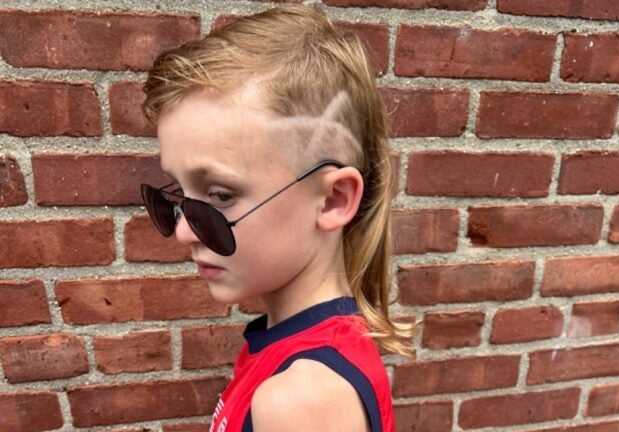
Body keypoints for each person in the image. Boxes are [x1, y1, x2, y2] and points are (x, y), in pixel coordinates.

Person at [138, 5, 413, 432]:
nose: (182, 230)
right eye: (177, 193)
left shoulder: (302, 399)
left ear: (332, 200)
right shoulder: (288, 350)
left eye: (221, 195)